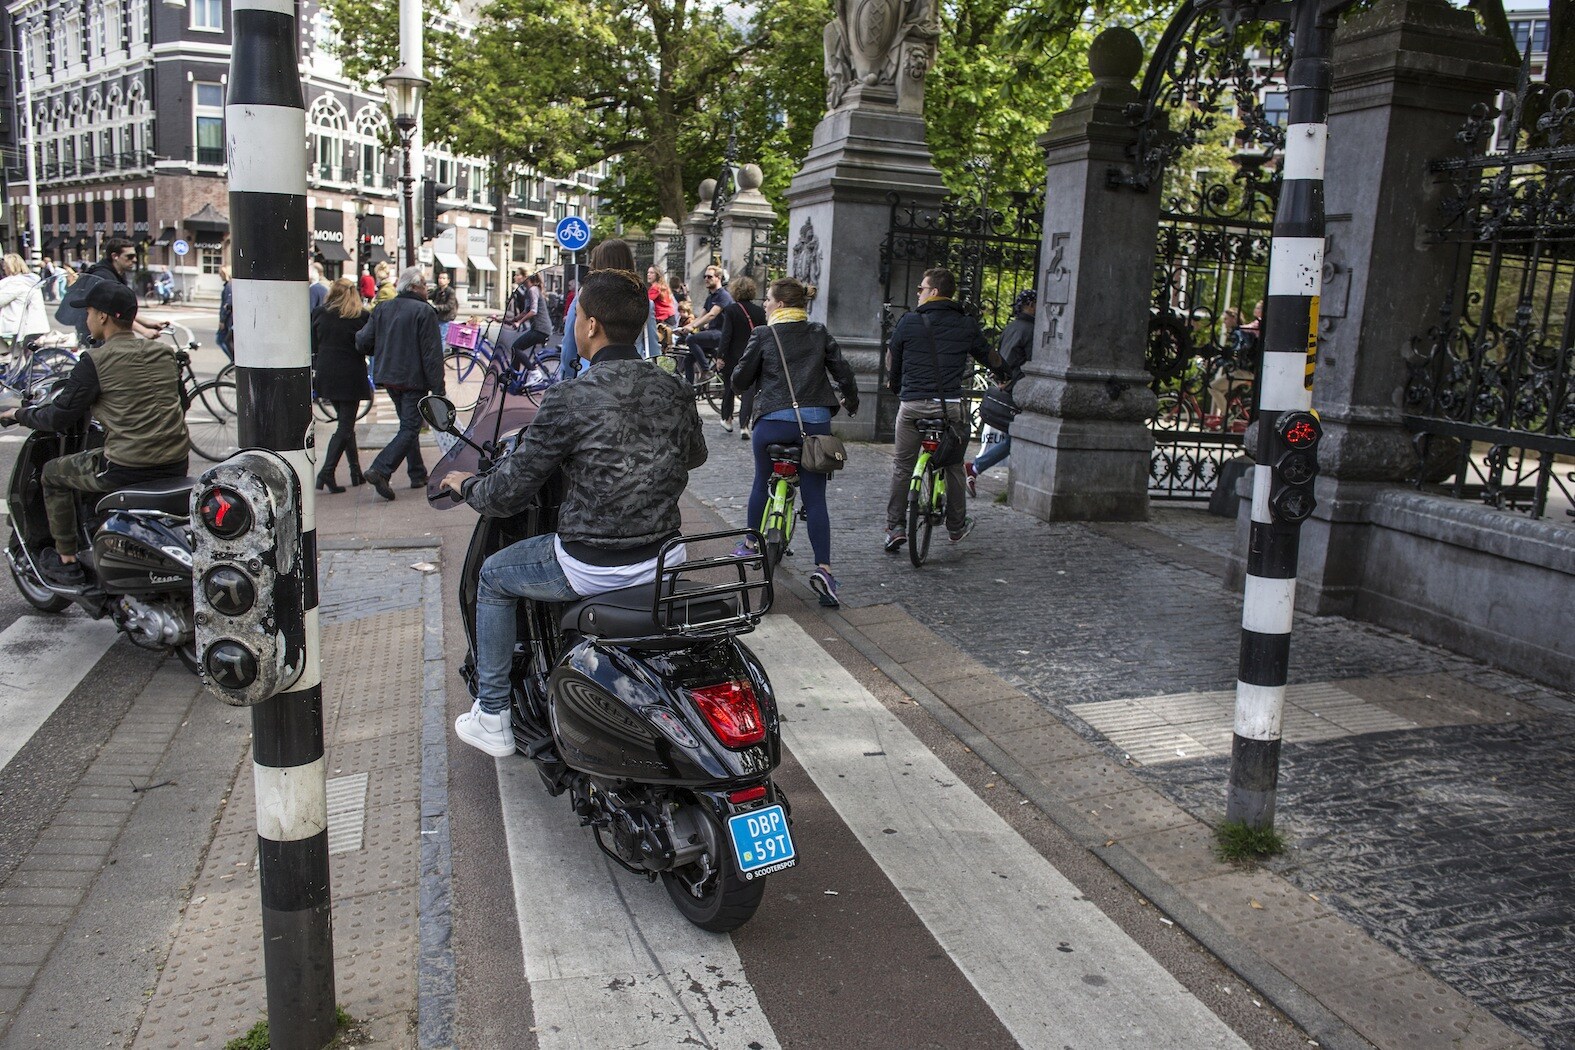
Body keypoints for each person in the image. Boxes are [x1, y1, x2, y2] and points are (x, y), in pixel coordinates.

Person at [438, 268, 706, 756]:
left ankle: (494, 715)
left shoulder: (569, 396)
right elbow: (694, 456)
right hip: (666, 556)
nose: (573, 325)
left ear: (591, 326)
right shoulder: (674, 387)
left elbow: (506, 493)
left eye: (577, 316)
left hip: (595, 564)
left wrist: (466, 485)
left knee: (494, 577)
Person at [0, 281, 187, 586]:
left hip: (127, 468)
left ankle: (66, 559)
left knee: (51, 474)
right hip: (177, 463)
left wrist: (17, 414)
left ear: (102, 317)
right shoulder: (164, 353)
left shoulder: (95, 360)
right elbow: (181, 402)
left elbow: (58, 416)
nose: (86, 318)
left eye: (87, 312)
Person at [733, 277, 858, 608]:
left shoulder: (763, 334)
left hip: (771, 423)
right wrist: (852, 400)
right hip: (814, 426)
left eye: (768, 300)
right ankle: (824, 570)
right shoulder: (818, 333)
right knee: (816, 499)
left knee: (762, 480)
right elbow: (843, 371)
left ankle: (749, 542)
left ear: (781, 305)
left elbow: (739, 379)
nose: (765, 305)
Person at [882, 266, 998, 552]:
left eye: (921, 289)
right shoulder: (966, 323)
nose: (918, 293)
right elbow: (988, 355)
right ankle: (956, 527)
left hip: (912, 407)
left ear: (933, 292)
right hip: (949, 409)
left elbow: (893, 361)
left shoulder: (908, 322)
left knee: (902, 466)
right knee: (954, 466)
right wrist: (1006, 375)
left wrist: (898, 388)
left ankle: (895, 526)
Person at [356, 266, 445, 500]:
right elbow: (432, 354)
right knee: (410, 427)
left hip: (389, 376)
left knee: (408, 424)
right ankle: (381, 468)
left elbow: (363, 340)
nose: (427, 289)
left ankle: (417, 473)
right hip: (413, 380)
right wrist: (439, 391)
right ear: (415, 287)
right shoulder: (424, 312)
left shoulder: (384, 308)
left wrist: (381, 350)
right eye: (425, 284)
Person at [966, 289, 1035, 495]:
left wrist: (1001, 379)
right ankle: (976, 467)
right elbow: (1026, 361)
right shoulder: (1031, 330)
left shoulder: (1012, 327)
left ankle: (977, 468)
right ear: (1030, 305)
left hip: (1008, 386)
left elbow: (1001, 356)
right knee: (1016, 438)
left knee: (1013, 439)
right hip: (1019, 390)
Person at [559, 240, 660, 374]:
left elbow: (569, 346)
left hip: (590, 376)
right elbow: (652, 349)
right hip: (631, 377)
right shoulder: (644, 302)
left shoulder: (583, 300)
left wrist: (567, 378)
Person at [312, 277, 372, 492]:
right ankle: (326, 472)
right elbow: (369, 345)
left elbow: (312, 342)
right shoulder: (361, 316)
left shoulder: (320, 313)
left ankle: (356, 472)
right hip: (350, 375)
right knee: (345, 426)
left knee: (346, 425)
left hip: (327, 373)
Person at [70, 239, 166, 344]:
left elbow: (121, 311)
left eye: (135, 256)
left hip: (105, 331)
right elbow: (113, 313)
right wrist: (144, 331)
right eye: (129, 256)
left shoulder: (117, 274)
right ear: (115, 256)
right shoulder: (104, 276)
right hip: (95, 333)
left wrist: (147, 322)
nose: (134, 260)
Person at [717, 274, 766, 433]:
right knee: (749, 391)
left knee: (729, 388)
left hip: (733, 355)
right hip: (753, 355)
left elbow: (726, 335)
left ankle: (727, 419)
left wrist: (720, 356)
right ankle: (744, 426)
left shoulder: (731, 310)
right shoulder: (760, 312)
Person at [678, 264, 733, 384]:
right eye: (705, 276)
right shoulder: (710, 297)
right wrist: (687, 327)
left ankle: (706, 370)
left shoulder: (723, 296)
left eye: (709, 277)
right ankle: (689, 389)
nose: (706, 279)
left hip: (721, 333)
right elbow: (702, 316)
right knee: (688, 359)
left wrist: (692, 327)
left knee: (692, 339)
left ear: (718, 277)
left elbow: (711, 315)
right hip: (711, 332)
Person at [0, 254, 49, 358]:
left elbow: (2, 299)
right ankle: (12, 367)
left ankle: (6, 359)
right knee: (17, 355)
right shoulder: (28, 280)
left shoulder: (17, 283)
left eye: (5, 265)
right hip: (30, 324)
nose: (3, 268)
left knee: (15, 354)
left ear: (11, 266)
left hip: (23, 325)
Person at [430, 270, 459, 343]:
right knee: (435, 337)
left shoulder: (450, 291)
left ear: (448, 281)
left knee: (441, 338)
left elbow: (449, 306)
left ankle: (440, 354)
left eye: (443, 278)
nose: (441, 280)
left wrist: (436, 307)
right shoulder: (437, 290)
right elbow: (430, 296)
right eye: (439, 278)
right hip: (438, 317)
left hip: (446, 318)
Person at [216, 267, 234, 361]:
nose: (219, 276)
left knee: (222, 340)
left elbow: (228, 304)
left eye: (221, 273)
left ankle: (233, 362)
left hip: (228, 320)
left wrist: (222, 320)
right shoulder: (229, 285)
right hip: (228, 319)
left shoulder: (229, 286)